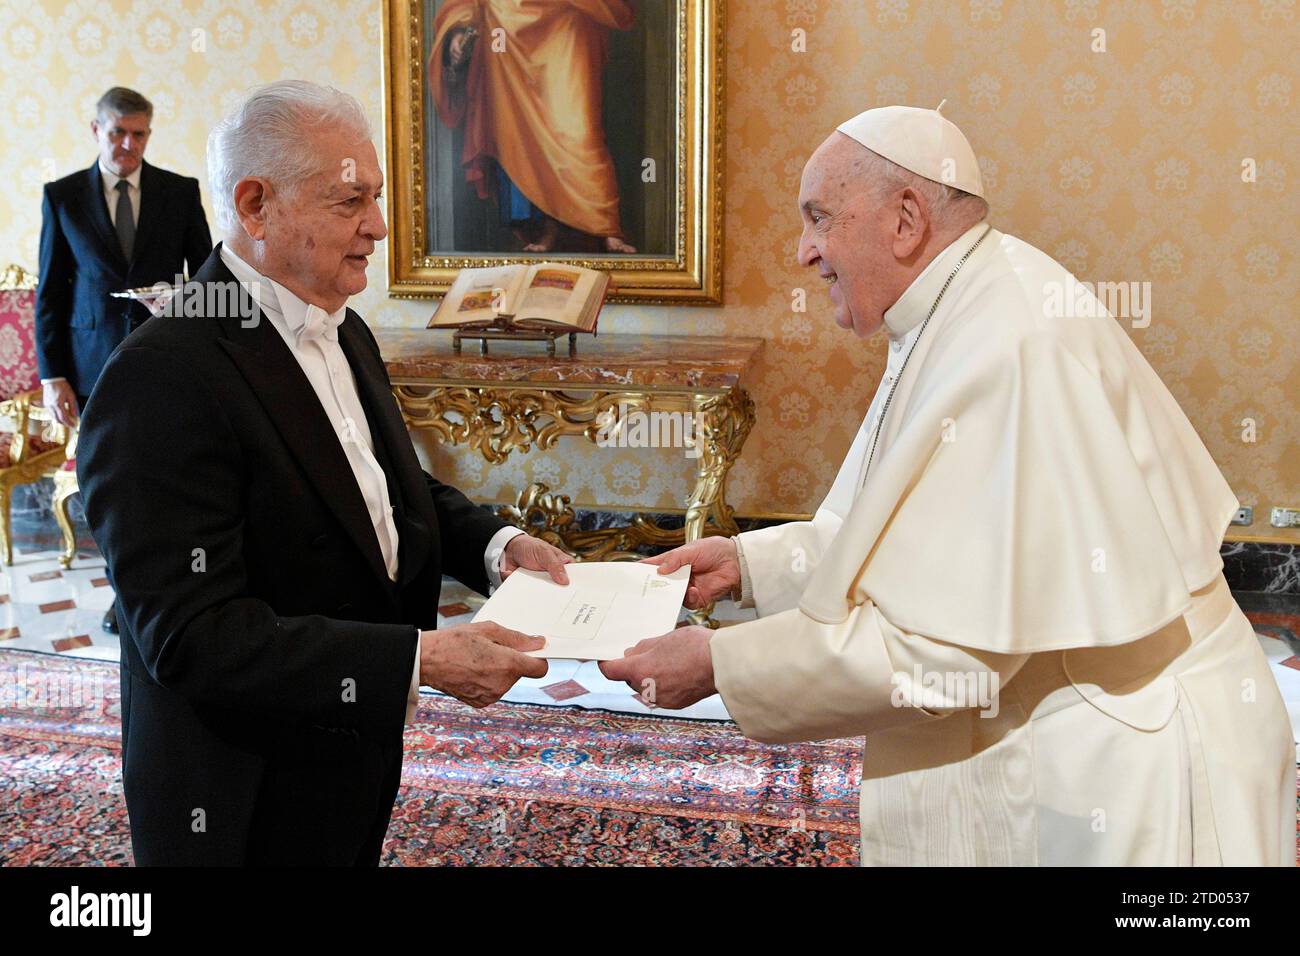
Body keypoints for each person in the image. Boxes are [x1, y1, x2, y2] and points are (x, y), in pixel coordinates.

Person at [601, 104, 1295, 866]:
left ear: (905, 220)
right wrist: (749, 566)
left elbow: (941, 655)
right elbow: (884, 534)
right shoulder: (956, 308)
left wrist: (718, 665)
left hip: (1136, 779)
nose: (804, 252)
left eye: (820, 219)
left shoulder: (1009, 343)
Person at [77, 80, 572, 866]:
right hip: (241, 792)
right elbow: (192, 636)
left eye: (375, 198)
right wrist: (420, 657)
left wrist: (496, 546)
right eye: (350, 202)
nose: (377, 227)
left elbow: (385, 490)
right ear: (255, 205)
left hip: (347, 757)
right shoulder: (162, 376)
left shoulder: (344, 327)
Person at [36, 86, 212, 633]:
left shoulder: (178, 192)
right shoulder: (62, 196)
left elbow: (207, 278)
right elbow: (51, 292)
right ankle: (124, 591)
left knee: (162, 483)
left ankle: (166, 592)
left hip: (166, 362)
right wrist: (52, 375)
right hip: (90, 370)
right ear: (97, 131)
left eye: (138, 134)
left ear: (148, 135)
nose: (127, 145)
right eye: (118, 133)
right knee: (112, 489)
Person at [429, 0, 637, 253]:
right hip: (505, 21)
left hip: (571, 17)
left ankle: (604, 224)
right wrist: (460, 30)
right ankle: (545, 230)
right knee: (522, 136)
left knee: (578, 131)